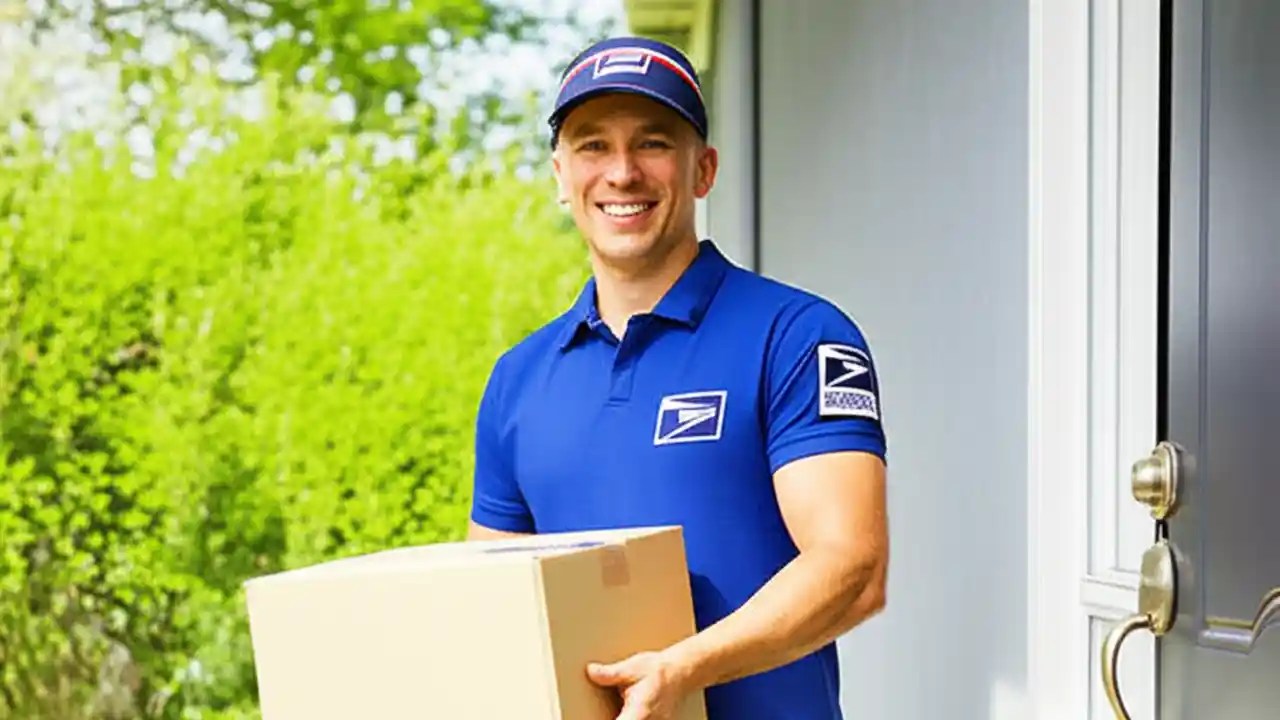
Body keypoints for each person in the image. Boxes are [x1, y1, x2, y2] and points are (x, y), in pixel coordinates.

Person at [467, 35, 889, 720]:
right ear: (560, 175)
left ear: (704, 169)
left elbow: (853, 568)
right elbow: (493, 607)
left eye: (653, 143)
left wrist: (682, 669)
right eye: (593, 145)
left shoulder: (797, 336)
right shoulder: (517, 380)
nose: (622, 172)